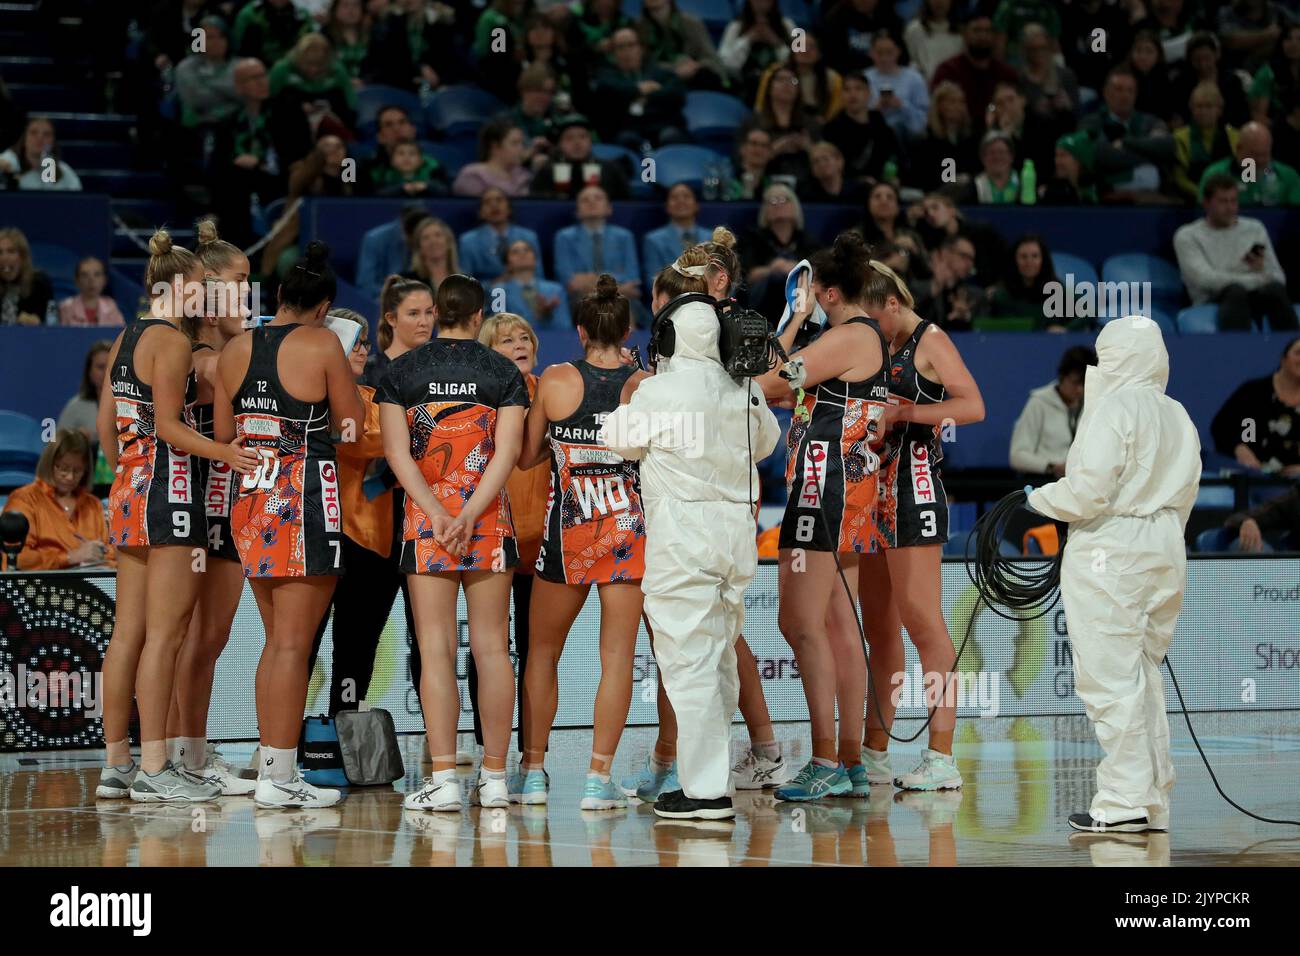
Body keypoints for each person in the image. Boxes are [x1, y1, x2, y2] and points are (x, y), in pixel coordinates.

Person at [599, 247, 781, 821]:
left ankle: (705, 793)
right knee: (719, 660)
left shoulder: (659, 391)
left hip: (684, 537)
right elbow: (769, 441)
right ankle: (711, 779)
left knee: (689, 665)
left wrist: (630, 394)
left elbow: (618, 442)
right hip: (734, 535)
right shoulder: (743, 388)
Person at [95, 229, 259, 803]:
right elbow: (169, 426)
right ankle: (158, 767)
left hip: (130, 491)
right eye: (205, 287)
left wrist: (125, 475)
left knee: (129, 635)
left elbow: (106, 429)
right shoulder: (170, 341)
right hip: (170, 493)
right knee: (165, 635)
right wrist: (226, 452)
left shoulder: (124, 337)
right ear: (184, 287)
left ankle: (118, 764)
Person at [1026, 315, 1201, 833]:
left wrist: (1036, 498)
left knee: (1111, 678)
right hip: (1167, 544)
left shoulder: (1112, 409)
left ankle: (1124, 799)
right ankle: (1151, 798)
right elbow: (1187, 491)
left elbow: (1088, 492)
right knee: (1144, 673)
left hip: (1112, 546)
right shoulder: (1178, 414)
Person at [216, 240, 363, 809]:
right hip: (302, 497)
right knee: (293, 647)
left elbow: (229, 435)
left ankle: (272, 768)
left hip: (251, 499)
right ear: (325, 306)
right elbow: (351, 426)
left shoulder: (235, 349)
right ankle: (278, 778)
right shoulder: (323, 343)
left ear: (276, 294)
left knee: (278, 642)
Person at [379, 274, 528, 812]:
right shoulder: (503, 371)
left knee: (436, 651)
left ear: (437, 311)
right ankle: (492, 779)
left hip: (427, 524)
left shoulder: (399, 372)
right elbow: (506, 453)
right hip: (487, 520)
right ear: (479, 313)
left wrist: (441, 513)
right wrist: (468, 513)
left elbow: (397, 455)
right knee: (492, 650)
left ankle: (442, 780)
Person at [753, 231, 891, 801]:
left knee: (800, 623)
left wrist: (791, 318)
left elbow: (765, 383)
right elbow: (790, 388)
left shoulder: (848, 337)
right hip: (844, 494)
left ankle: (826, 759)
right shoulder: (857, 339)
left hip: (823, 494)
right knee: (838, 627)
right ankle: (852, 762)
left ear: (829, 293)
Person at [511, 275, 649, 809]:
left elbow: (526, 457)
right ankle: (597, 779)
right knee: (618, 659)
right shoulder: (643, 384)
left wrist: (568, 446)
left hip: (566, 532)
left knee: (542, 654)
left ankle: (536, 772)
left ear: (580, 330)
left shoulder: (555, 379)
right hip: (627, 533)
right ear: (628, 329)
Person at [855, 257, 984, 791]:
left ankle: (942, 757)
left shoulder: (930, 339)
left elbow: (973, 406)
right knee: (880, 627)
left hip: (914, 492)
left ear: (893, 303)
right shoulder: (871, 340)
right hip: (870, 494)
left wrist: (908, 414)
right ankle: (874, 754)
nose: (869, 332)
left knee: (922, 621)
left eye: (874, 319)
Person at [165, 220, 255, 795]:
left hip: (227, 499)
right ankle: (182, 755)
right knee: (195, 636)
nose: (248, 296)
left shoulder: (227, 352)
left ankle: (187, 750)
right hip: (199, 501)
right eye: (239, 284)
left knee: (210, 636)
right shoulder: (199, 356)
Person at [304, 307, 402, 714]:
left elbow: (384, 441)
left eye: (366, 342)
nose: (365, 350)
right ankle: (280, 741)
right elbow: (360, 440)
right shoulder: (312, 399)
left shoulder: (372, 399)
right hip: (323, 534)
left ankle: (347, 733)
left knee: (358, 645)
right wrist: (405, 435)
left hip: (372, 542)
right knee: (302, 643)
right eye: (355, 342)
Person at [466, 313, 549, 757]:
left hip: (542, 544)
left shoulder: (553, 393)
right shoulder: (479, 400)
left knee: (537, 652)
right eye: (505, 342)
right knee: (491, 646)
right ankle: (488, 748)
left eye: (524, 337)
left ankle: (531, 754)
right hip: (492, 538)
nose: (519, 344)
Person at [1173, 173, 1295, 332]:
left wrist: (1261, 273)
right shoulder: (1188, 236)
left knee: (1275, 290)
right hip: (1213, 299)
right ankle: (1238, 352)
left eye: (1234, 201)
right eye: (1223, 201)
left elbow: (1278, 276)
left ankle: (1294, 347)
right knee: (1235, 291)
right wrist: (1256, 277)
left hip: (1255, 295)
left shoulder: (1254, 229)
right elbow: (1205, 280)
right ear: (1206, 203)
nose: (1230, 207)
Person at [2, 430, 111, 570]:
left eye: (77, 471)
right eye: (63, 469)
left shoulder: (93, 505)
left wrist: (102, 557)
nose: (70, 477)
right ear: (49, 463)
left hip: (91, 585)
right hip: (41, 587)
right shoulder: (25, 499)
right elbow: (17, 558)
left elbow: (112, 556)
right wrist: (70, 557)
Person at [1078, 66, 1174, 200]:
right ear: (1106, 92)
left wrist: (1125, 143)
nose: (1125, 95)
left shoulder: (1149, 121)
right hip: (1107, 198)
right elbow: (1099, 155)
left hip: (1153, 197)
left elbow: (1167, 147)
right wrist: (1151, 156)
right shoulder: (1091, 122)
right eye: (1119, 89)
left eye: (1131, 91)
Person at [1210, 337, 1300, 474]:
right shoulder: (1253, 392)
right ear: (1283, 359)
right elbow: (1221, 427)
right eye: (1298, 353)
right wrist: (1239, 448)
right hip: (1252, 477)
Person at [589, 28, 688, 151]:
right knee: (627, 140)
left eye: (631, 45)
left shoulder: (661, 73)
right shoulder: (606, 76)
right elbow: (608, 92)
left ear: (641, 48)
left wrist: (642, 97)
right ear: (613, 53)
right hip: (628, 131)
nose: (627, 51)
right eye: (620, 47)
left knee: (671, 136)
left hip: (662, 127)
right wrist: (639, 89)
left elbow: (677, 95)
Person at [1009, 345, 1098, 477]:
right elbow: (1017, 456)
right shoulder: (1039, 403)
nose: (1080, 389)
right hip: (1044, 482)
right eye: (1075, 382)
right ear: (1062, 376)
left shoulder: (1091, 405)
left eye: (1084, 383)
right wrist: (1051, 466)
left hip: (1080, 483)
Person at [738, 183, 818, 324]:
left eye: (784, 199)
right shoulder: (752, 239)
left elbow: (819, 273)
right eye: (772, 201)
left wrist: (795, 268)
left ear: (795, 207)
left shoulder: (808, 240)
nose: (778, 205)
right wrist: (772, 269)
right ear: (765, 211)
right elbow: (747, 275)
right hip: (762, 305)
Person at [932, 11, 1019, 134]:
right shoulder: (948, 71)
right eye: (977, 30)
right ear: (964, 33)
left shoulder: (1006, 74)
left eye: (987, 31)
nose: (983, 36)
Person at [553, 184, 641, 303]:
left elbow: (632, 278)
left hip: (620, 301)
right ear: (577, 211)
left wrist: (589, 278)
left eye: (598, 198)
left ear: (609, 208)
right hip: (582, 300)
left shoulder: (624, 236)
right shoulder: (564, 237)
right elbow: (569, 281)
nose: (592, 202)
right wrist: (617, 285)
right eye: (585, 200)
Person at [267, 31, 358, 136]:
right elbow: (270, 100)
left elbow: (351, 103)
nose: (313, 70)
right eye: (308, 64)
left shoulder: (337, 70)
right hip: (292, 123)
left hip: (328, 117)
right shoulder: (282, 69)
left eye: (319, 64)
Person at [820, 70, 901, 185]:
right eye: (847, 90)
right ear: (841, 95)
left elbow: (895, 158)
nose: (853, 94)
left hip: (881, 185)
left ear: (869, 93)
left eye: (858, 89)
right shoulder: (831, 129)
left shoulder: (882, 127)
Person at [529, 113, 632, 201]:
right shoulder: (547, 172)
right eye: (569, 138)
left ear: (591, 141)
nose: (577, 143)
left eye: (583, 137)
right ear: (560, 145)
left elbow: (625, 205)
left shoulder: (611, 170)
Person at [1197, 121, 1300, 207]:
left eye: (1264, 154)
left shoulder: (1288, 176)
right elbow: (1203, 214)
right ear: (1238, 149)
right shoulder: (1214, 174)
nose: (1259, 161)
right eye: (1254, 155)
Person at [636, 0, 729, 92]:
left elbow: (712, 59)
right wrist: (675, 70)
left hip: (695, 77)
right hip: (659, 81)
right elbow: (639, 65)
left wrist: (695, 66)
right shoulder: (638, 29)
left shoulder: (691, 23)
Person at [904, 81, 980, 193]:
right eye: (952, 102)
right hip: (935, 195)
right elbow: (919, 178)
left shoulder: (971, 139)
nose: (958, 107)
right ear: (939, 106)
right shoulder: (925, 141)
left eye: (962, 102)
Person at [458, 188, 544, 284]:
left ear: (509, 209)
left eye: (499, 200)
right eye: (487, 202)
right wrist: (494, 285)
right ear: (481, 213)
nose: (494, 205)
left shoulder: (528, 236)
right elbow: (465, 284)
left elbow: (539, 276)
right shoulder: (468, 241)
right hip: (485, 295)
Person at [1171, 83, 1240, 201]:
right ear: (1191, 109)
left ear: (1219, 110)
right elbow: (1179, 178)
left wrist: (1243, 190)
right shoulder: (1180, 137)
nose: (1203, 112)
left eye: (1209, 106)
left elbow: (1248, 168)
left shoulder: (1235, 136)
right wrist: (1203, 195)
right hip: (1192, 201)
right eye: (1199, 106)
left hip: (1230, 199)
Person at [1169, 32, 1250, 128]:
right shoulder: (1181, 82)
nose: (1203, 65)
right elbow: (1179, 115)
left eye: (1207, 58)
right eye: (1197, 60)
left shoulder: (1231, 81)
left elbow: (1241, 115)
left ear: (1217, 54)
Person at [641, 182, 713, 290]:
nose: (681, 201)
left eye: (686, 196)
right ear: (667, 206)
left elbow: (726, 279)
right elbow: (653, 282)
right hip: (671, 303)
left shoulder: (712, 238)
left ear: (696, 205)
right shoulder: (653, 240)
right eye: (674, 197)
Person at [718, 0, 795, 100]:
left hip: (780, 82)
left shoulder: (788, 25)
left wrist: (776, 42)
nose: (761, 3)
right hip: (744, 85)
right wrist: (748, 39)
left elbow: (798, 60)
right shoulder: (735, 27)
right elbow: (725, 63)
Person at [913, 234, 987, 332]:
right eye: (964, 256)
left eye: (972, 259)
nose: (970, 264)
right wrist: (936, 287)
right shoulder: (918, 288)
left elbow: (984, 331)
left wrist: (965, 317)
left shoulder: (975, 296)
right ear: (945, 253)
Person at [865, 31, 929, 140]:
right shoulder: (865, 78)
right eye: (879, 53)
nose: (884, 58)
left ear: (898, 51)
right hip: (872, 134)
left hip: (908, 135)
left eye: (889, 52)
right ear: (871, 53)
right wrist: (875, 109)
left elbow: (923, 118)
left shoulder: (914, 78)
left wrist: (902, 106)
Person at [495, 239, 571, 328]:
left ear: (535, 260)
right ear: (508, 265)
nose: (522, 254)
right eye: (515, 252)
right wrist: (537, 316)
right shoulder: (498, 292)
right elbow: (498, 329)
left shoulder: (556, 290)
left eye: (527, 250)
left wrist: (548, 315)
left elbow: (565, 327)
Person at [988, 234, 1059, 325]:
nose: (1029, 262)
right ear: (1014, 260)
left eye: (1035, 256)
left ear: (1043, 260)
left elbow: (1083, 310)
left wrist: (1066, 330)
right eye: (1023, 257)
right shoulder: (1001, 294)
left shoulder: (1056, 289)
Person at [452, 118, 533, 198]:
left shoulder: (523, 175)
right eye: (514, 143)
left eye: (521, 143)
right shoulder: (474, 175)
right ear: (495, 147)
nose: (521, 148)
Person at [820, 0, 903, 76]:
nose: (864, 1)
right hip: (850, 77)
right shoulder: (836, 18)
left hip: (887, 72)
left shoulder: (889, 14)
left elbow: (901, 50)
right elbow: (834, 58)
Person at [0, 116, 83, 191]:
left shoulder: (64, 171)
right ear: (24, 138)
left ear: (53, 141)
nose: (40, 138)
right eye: (33, 132)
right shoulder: (9, 160)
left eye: (46, 134)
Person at [58, 341, 113, 450]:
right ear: (89, 372)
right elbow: (55, 445)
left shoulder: (132, 404)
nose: (107, 372)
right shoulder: (76, 406)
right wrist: (76, 438)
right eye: (101, 367)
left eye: (111, 366)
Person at [232, 0, 313, 68]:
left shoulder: (301, 14)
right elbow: (239, 51)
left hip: (295, 67)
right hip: (259, 68)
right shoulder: (249, 15)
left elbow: (311, 46)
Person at [1248, 22, 1300, 123]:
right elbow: (1260, 117)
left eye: (1299, 39)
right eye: (1288, 39)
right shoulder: (1268, 73)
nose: (1293, 44)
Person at [1224, 485, 1300, 551]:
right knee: (1249, 544)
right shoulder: (1294, 498)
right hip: (1293, 563)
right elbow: (1238, 517)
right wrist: (1247, 521)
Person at [903, 0, 963, 83]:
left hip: (954, 87)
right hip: (924, 85)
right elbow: (911, 61)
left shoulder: (961, 31)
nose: (939, 2)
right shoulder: (914, 30)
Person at [58, 257, 126, 327]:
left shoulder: (111, 306)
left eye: (97, 274)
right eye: (85, 275)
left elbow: (121, 334)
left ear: (104, 280)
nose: (91, 280)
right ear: (77, 280)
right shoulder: (66, 308)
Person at [376, 139, 450, 197]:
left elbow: (444, 191)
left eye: (412, 153)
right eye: (401, 154)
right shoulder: (386, 176)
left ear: (421, 161)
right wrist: (402, 188)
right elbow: (378, 193)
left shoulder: (431, 174)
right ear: (392, 161)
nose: (406, 158)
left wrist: (426, 186)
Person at [801, 141, 869, 204]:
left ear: (839, 161)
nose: (821, 164)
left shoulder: (860, 191)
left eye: (825, 159)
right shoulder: (806, 195)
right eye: (816, 161)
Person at [402, 217, 459, 292]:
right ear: (419, 247)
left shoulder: (462, 281)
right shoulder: (408, 281)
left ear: (448, 242)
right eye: (426, 238)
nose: (433, 241)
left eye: (438, 235)